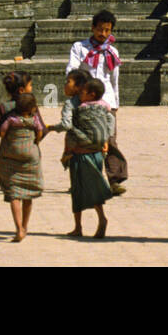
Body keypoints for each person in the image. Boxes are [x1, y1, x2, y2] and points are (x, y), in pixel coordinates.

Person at [66, 11, 126, 194]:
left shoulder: (112, 52)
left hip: (106, 101)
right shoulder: (80, 48)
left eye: (107, 30)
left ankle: (114, 180)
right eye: (100, 29)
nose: (103, 33)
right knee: (81, 141)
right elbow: (71, 71)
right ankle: (81, 181)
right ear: (92, 28)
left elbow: (114, 79)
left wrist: (115, 102)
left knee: (109, 140)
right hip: (84, 101)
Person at [66, 78, 114, 238]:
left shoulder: (80, 108)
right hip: (95, 153)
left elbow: (71, 129)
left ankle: (100, 219)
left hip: (83, 153)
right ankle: (78, 226)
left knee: (83, 189)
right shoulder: (104, 108)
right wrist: (106, 139)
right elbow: (109, 123)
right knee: (80, 189)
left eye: (83, 91)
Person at [0, 89, 45, 242]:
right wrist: (35, 141)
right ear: (33, 108)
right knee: (28, 193)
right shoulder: (34, 119)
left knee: (14, 193)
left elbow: (2, 131)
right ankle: (25, 226)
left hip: (11, 157)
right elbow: (40, 132)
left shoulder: (11, 119)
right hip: (30, 156)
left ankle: (18, 228)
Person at [49, 68, 92, 166]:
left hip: (77, 151)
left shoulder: (70, 104)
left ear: (79, 86)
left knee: (79, 180)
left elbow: (66, 125)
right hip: (96, 149)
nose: (65, 85)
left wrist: (52, 128)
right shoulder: (96, 102)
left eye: (68, 82)